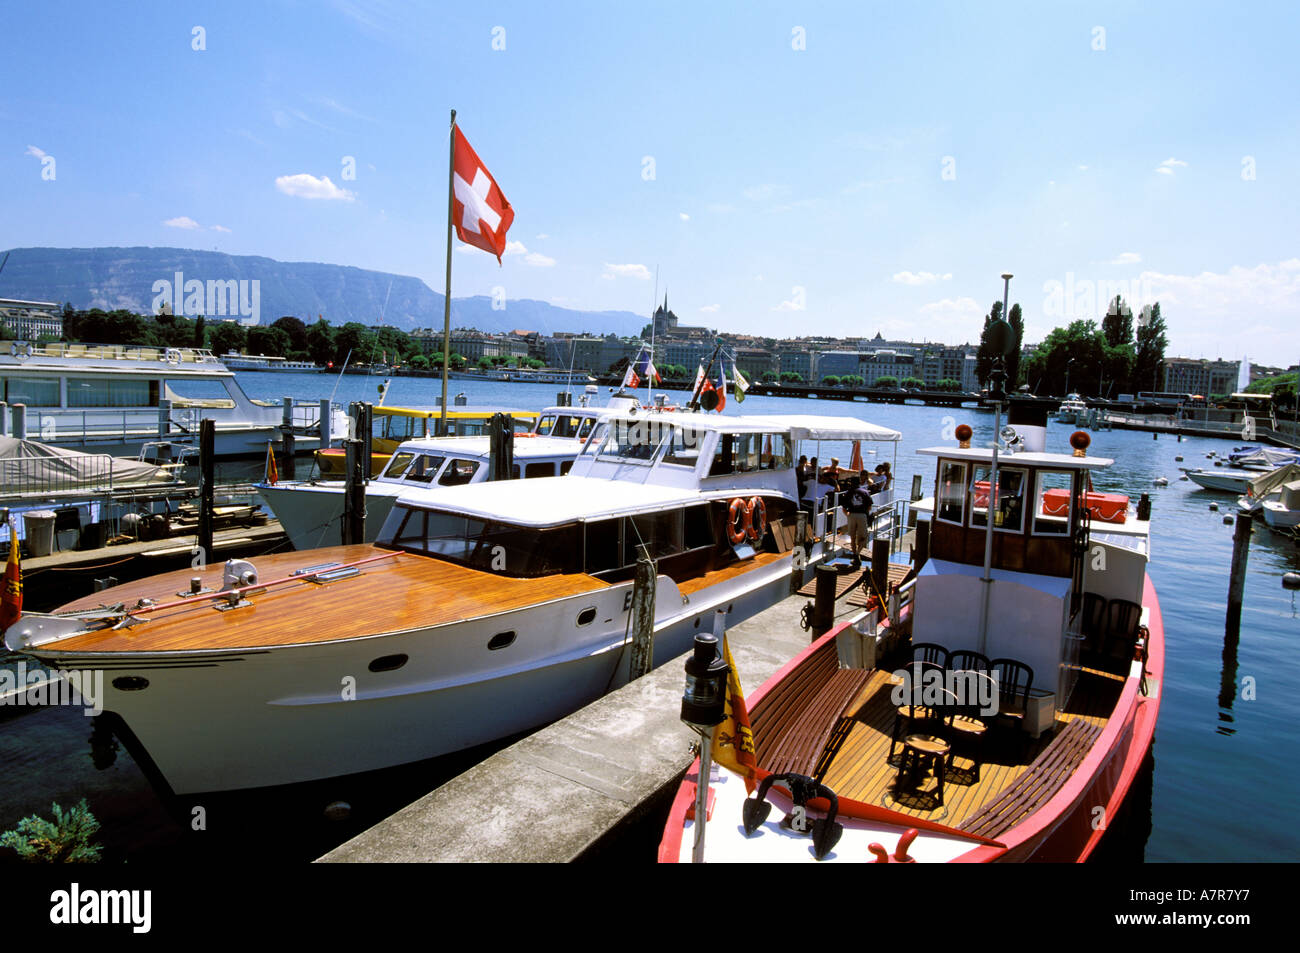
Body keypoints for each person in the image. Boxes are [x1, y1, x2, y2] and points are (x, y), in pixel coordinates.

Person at [843, 476, 873, 568]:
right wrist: (866, 514)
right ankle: (857, 554)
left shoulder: (848, 493)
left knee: (852, 537)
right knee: (863, 536)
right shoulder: (865, 492)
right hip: (862, 515)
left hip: (851, 514)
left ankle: (855, 555)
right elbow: (869, 505)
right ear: (859, 482)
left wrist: (848, 514)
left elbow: (844, 508)